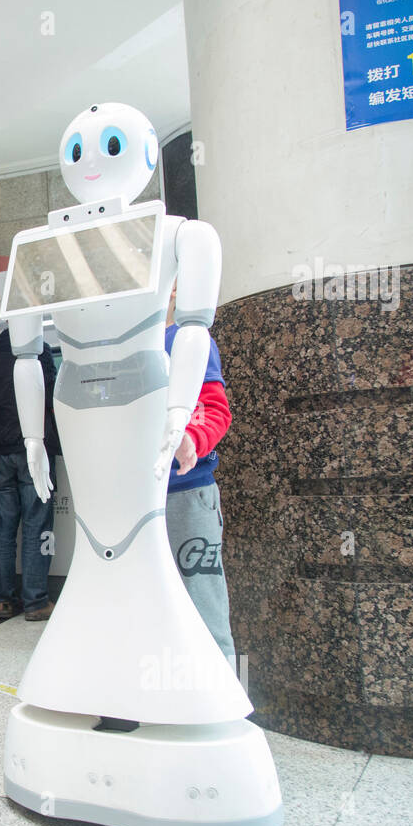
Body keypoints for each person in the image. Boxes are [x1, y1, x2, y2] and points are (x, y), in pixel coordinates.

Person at [164, 283, 235, 662]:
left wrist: (191, 436)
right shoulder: (124, 348)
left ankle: (222, 709)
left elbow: (212, 407)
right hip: (136, 499)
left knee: (202, 604)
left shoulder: (189, 339)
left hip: (186, 494)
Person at [0, 320, 61, 622]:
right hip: (33, 448)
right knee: (37, 525)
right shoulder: (42, 351)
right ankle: (36, 601)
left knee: (4, 528)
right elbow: (50, 392)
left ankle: (2, 600)